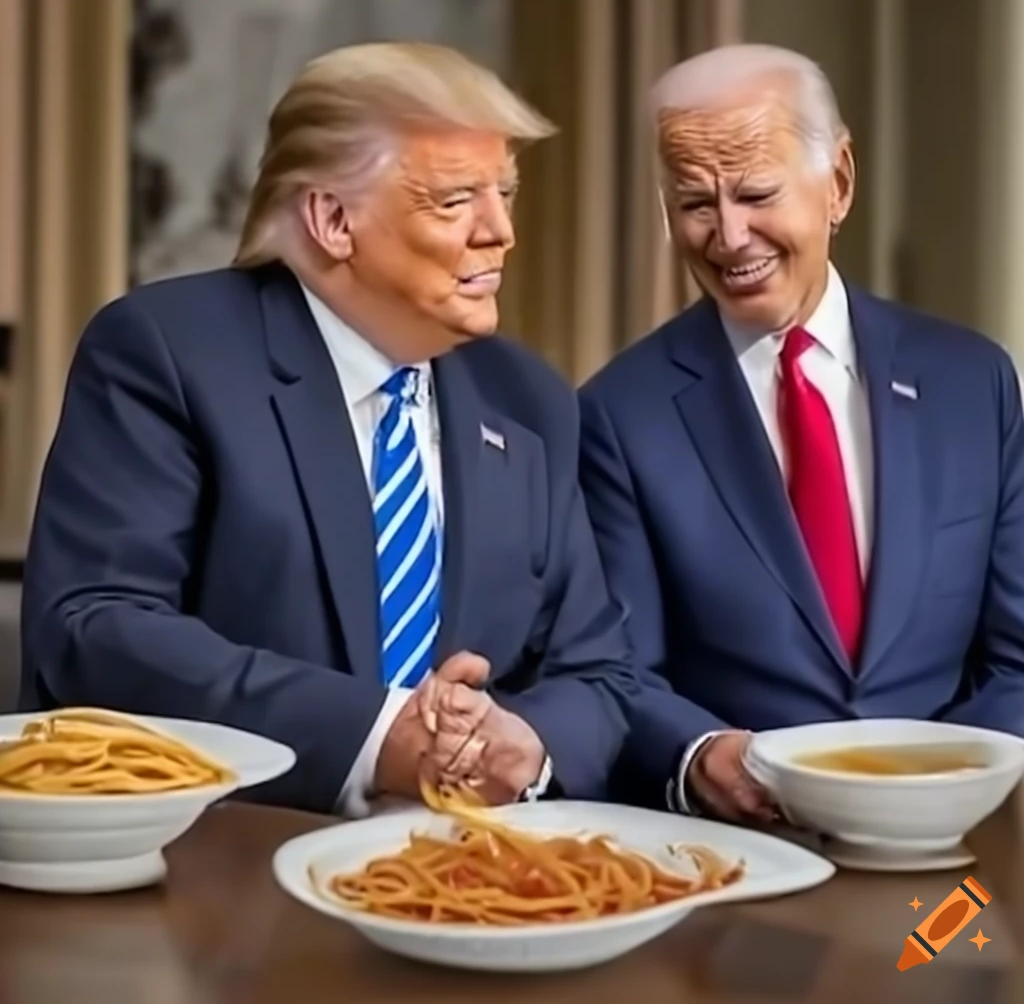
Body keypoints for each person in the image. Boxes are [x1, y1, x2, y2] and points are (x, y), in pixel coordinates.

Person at [20, 42, 635, 815]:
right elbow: (94, 629)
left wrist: (527, 742)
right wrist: (380, 736)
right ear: (333, 218)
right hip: (226, 875)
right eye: (454, 201)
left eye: (504, 192)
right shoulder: (167, 352)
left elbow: (600, 675)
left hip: (475, 885)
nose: (501, 230)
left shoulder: (531, 399)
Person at [578, 43, 1024, 822]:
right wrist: (699, 753)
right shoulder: (620, 413)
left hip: (957, 853)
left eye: (755, 194)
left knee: (944, 953)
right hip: (741, 858)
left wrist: (934, 788)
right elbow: (618, 673)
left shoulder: (972, 382)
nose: (728, 236)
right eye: (693, 204)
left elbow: (1016, 657)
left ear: (838, 183)